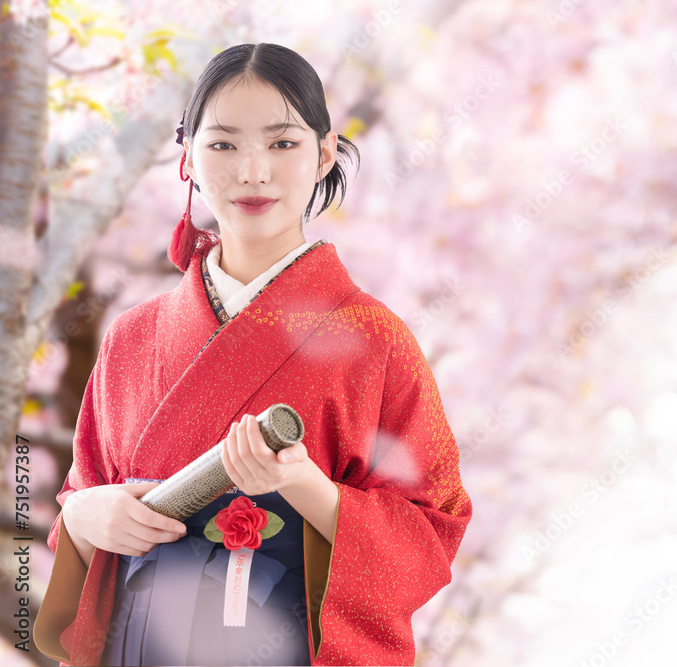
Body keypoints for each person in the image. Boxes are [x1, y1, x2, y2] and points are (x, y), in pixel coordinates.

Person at [34, 42, 473, 666]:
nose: (252, 170)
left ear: (324, 153)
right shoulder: (131, 337)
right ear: (186, 159)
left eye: (282, 143)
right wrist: (85, 519)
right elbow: (82, 495)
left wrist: (303, 485)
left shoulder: (375, 340)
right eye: (223, 144)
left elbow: (430, 533)